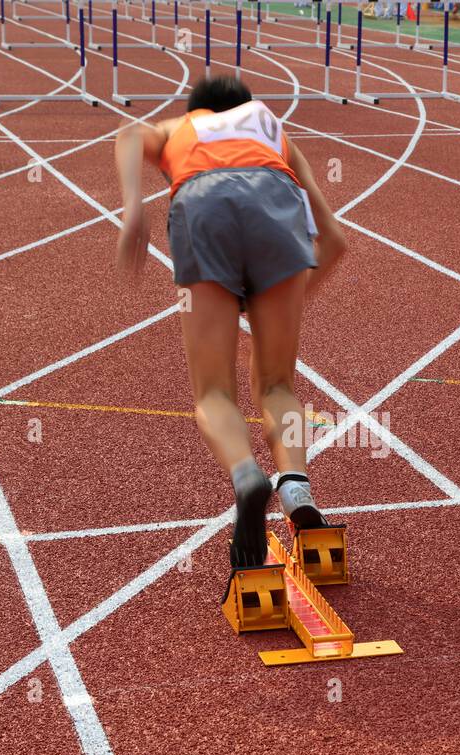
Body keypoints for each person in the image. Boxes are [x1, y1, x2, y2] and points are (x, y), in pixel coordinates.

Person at [115, 76, 347, 569]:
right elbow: (335, 240)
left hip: (202, 204)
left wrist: (135, 209)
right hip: (277, 203)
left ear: (202, 108)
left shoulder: (186, 123)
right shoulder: (270, 128)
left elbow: (129, 134)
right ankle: (296, 489)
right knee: (278, 383)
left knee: (213, 392)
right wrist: (280, 302)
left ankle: (246, 475)